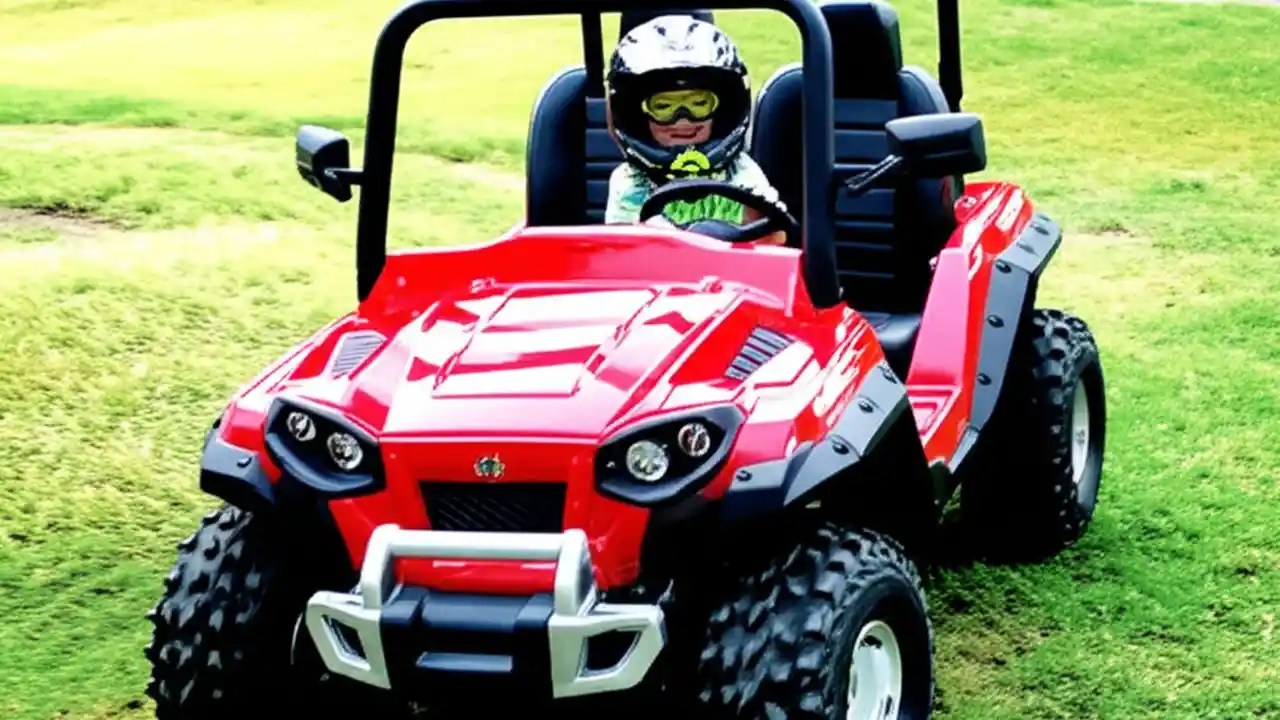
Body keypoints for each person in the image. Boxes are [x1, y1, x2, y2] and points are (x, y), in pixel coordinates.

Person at [603, 15, 787, 245]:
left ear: (720, 111)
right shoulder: (630, 182)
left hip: (729, 276)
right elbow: (621, 252)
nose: (683, 121)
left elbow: (776, 238)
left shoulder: (742, 172)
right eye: (664, 107)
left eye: (699, 105)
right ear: (640, 117)